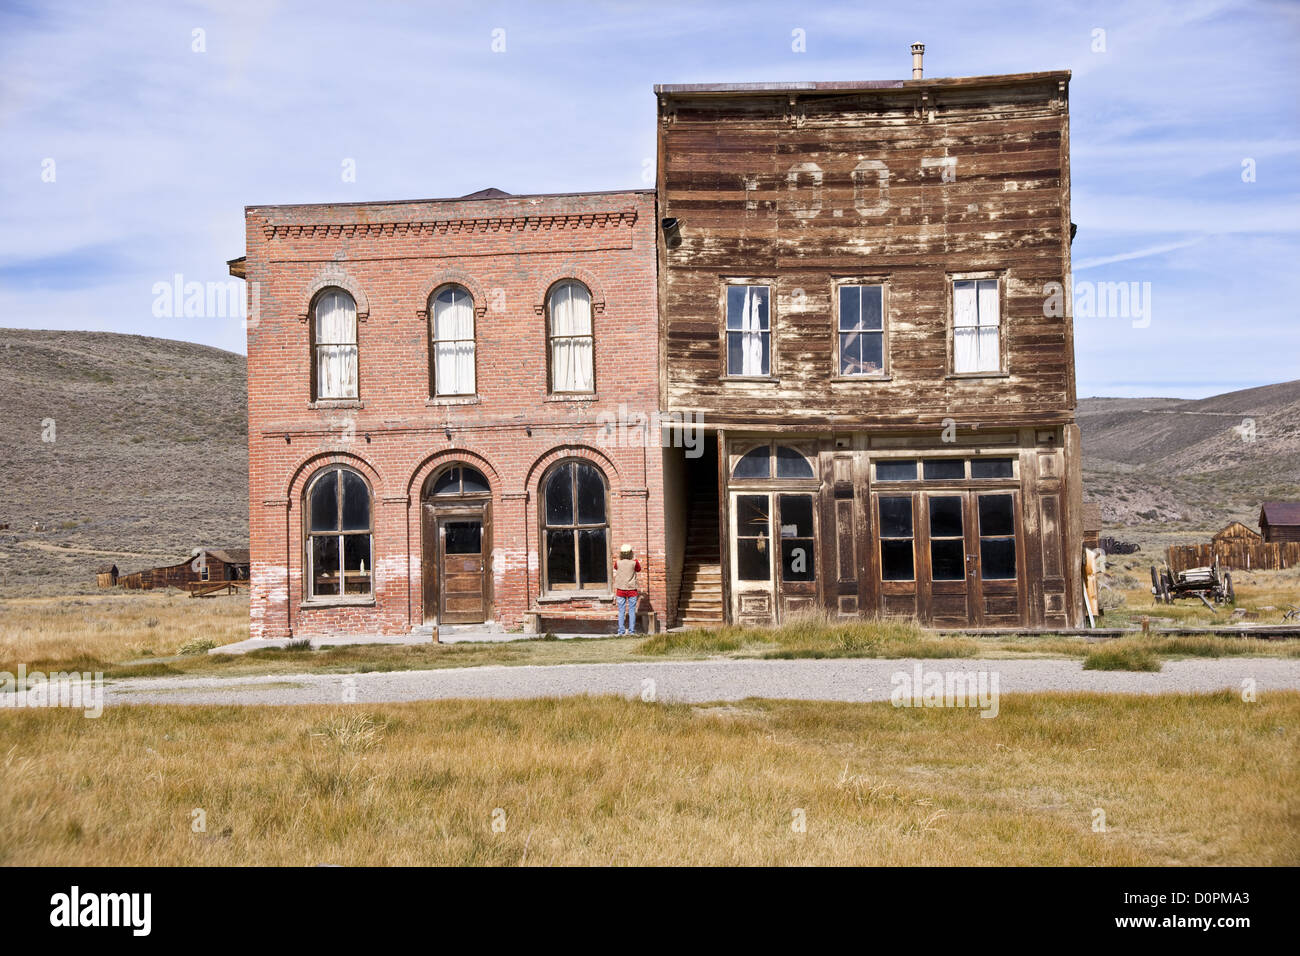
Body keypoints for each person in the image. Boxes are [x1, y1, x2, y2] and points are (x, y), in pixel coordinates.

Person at [613, 543, 641, 635]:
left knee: (621, 611)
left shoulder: (617, 562)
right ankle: (631, 631)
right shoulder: (634, 562)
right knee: (632, 611)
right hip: (632, 589)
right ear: (630, 553)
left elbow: (615, 568)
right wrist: (635, 559)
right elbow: (638, 569)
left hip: (620, 589)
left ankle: (621, 631)